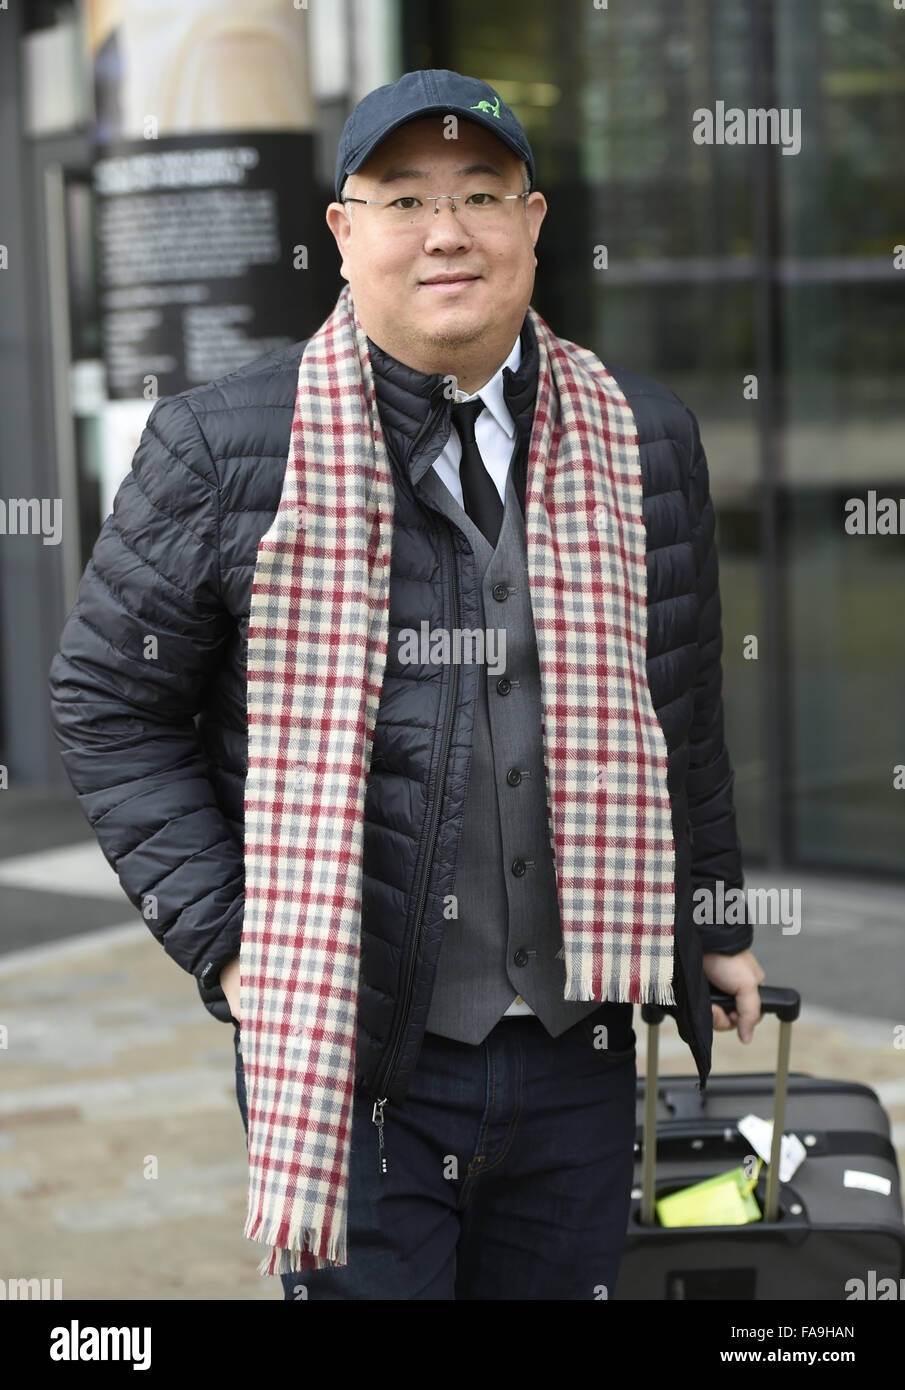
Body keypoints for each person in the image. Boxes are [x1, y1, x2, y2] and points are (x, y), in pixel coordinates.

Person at [48, 69, 765, 1301]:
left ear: (532, 223)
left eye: (482, 194)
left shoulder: (643, 436)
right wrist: (228, 941)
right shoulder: (224, 448)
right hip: (359, 1056)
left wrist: (712, 916)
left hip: (580, 1042)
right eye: (402, 198)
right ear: (342, 231)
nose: (447, 231)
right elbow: (108, 705)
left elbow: (678, 702)